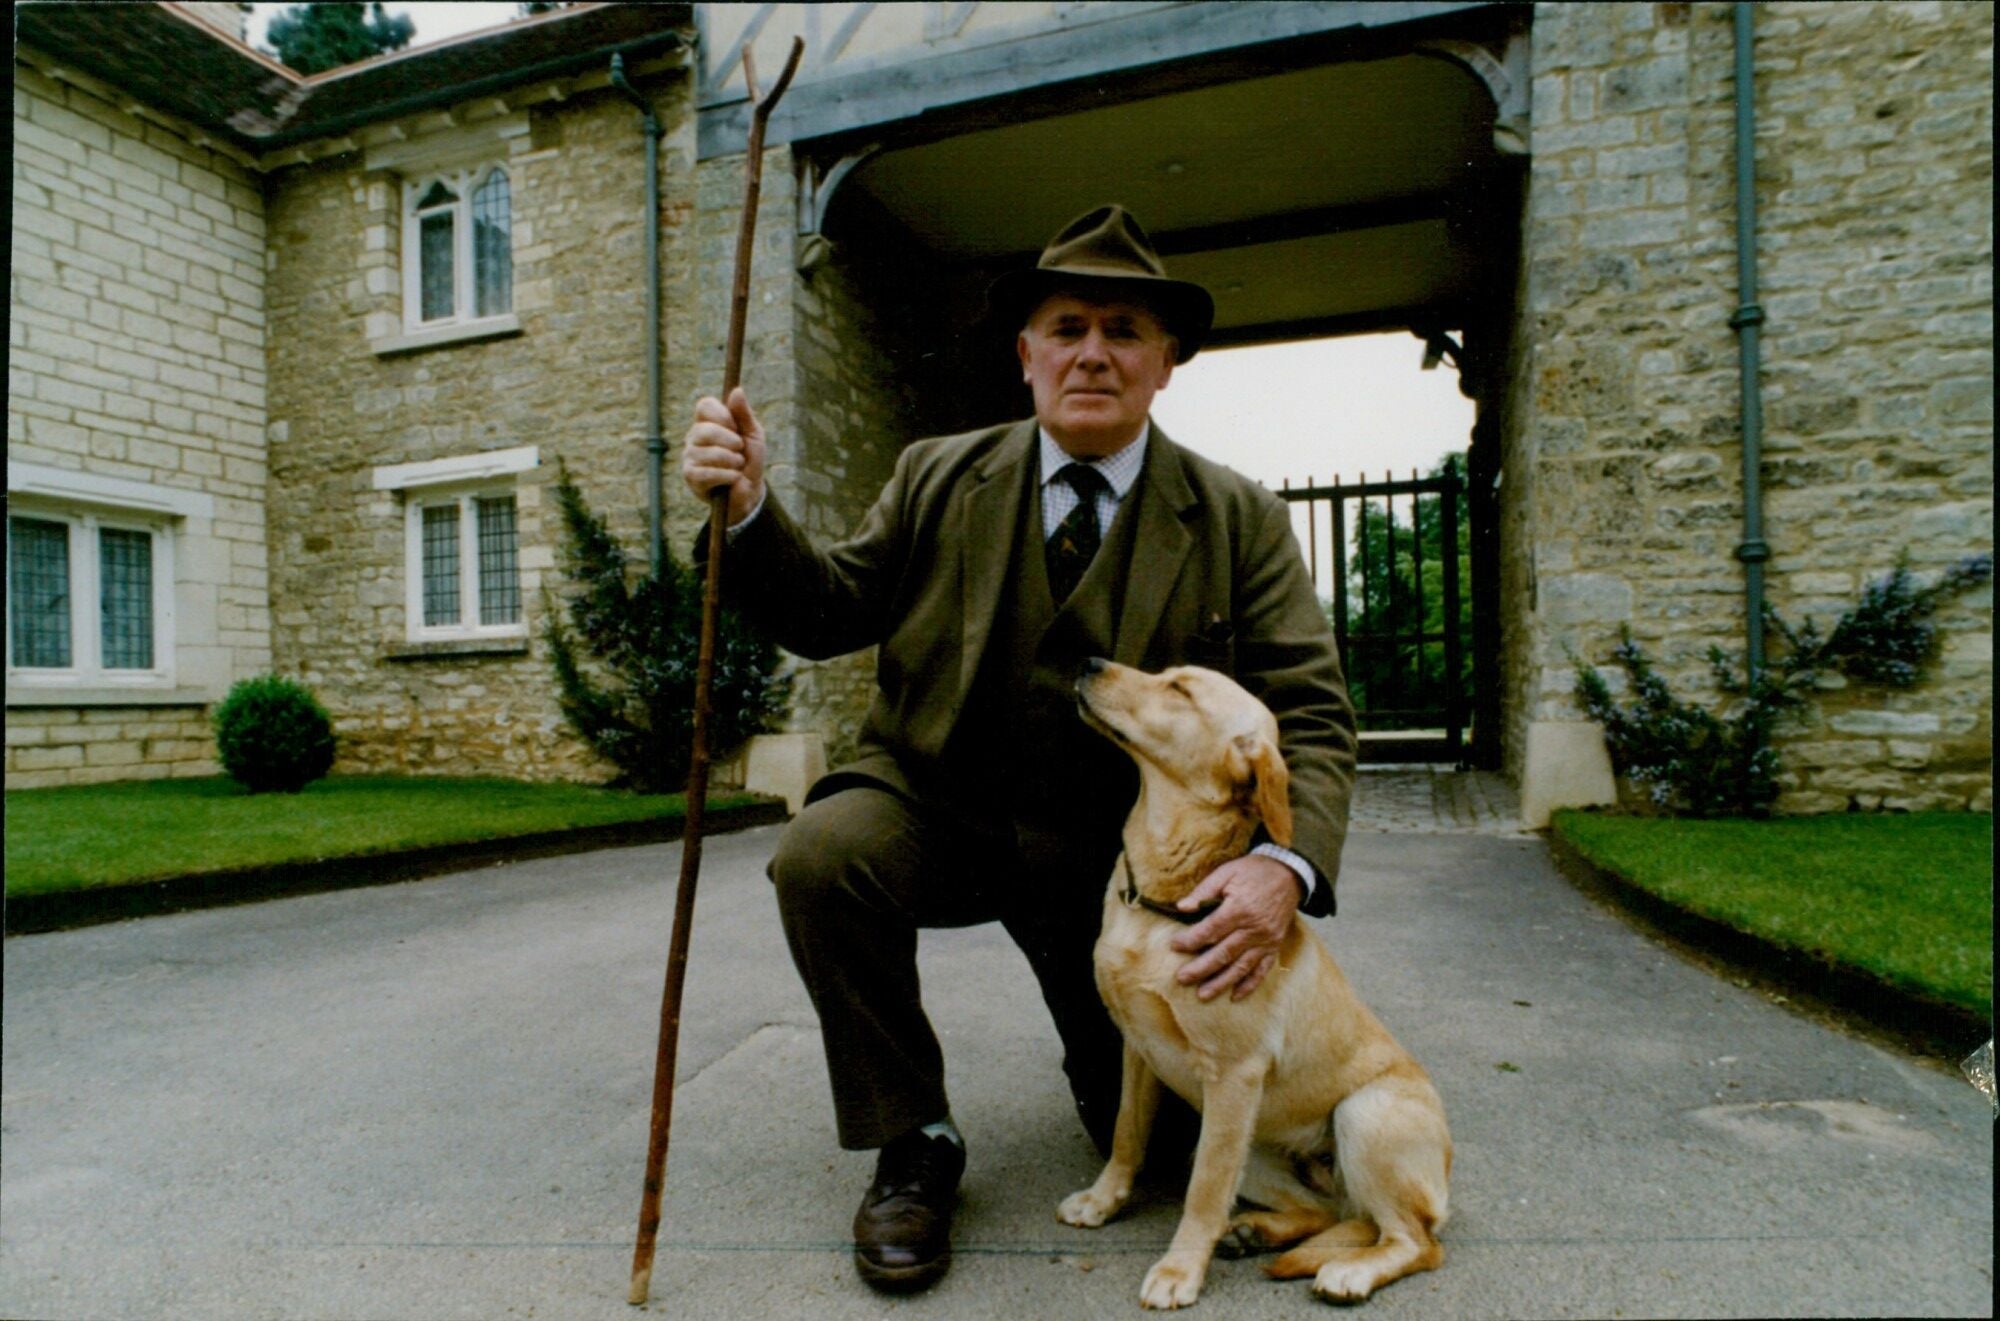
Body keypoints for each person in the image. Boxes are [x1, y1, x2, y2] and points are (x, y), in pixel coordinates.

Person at [680, 204, 1357, 1294]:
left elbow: (1310, 714)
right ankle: (915, 1142)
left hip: (1117, 871)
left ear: (1164, 364)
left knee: (1158, 1147)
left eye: (1124, 329)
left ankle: (1107, 1076)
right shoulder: (935, 475)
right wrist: (750, 506)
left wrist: (1279, 866)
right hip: (933, 807)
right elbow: (821, 609)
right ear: (1025, 354)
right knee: (821, 853)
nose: (1094, 350)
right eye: (1068, 325)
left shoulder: (1235, 518)